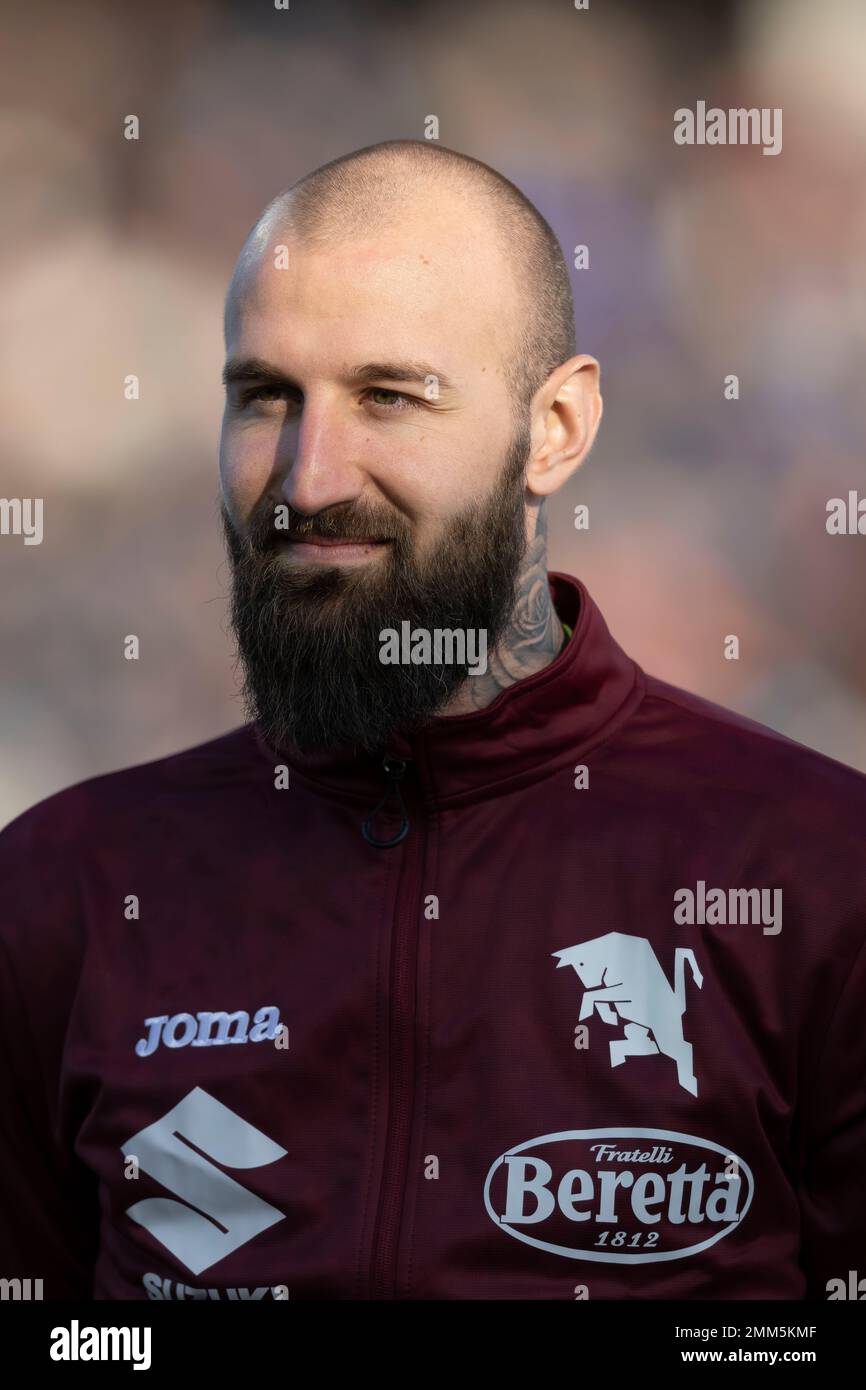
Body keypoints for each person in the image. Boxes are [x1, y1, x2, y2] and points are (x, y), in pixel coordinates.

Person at [0, 140, 863, 1301]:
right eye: (265, 397)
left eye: (389, 396)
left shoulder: (814, 871)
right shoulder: (66, 889)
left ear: (554, 428)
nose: (307, 478)